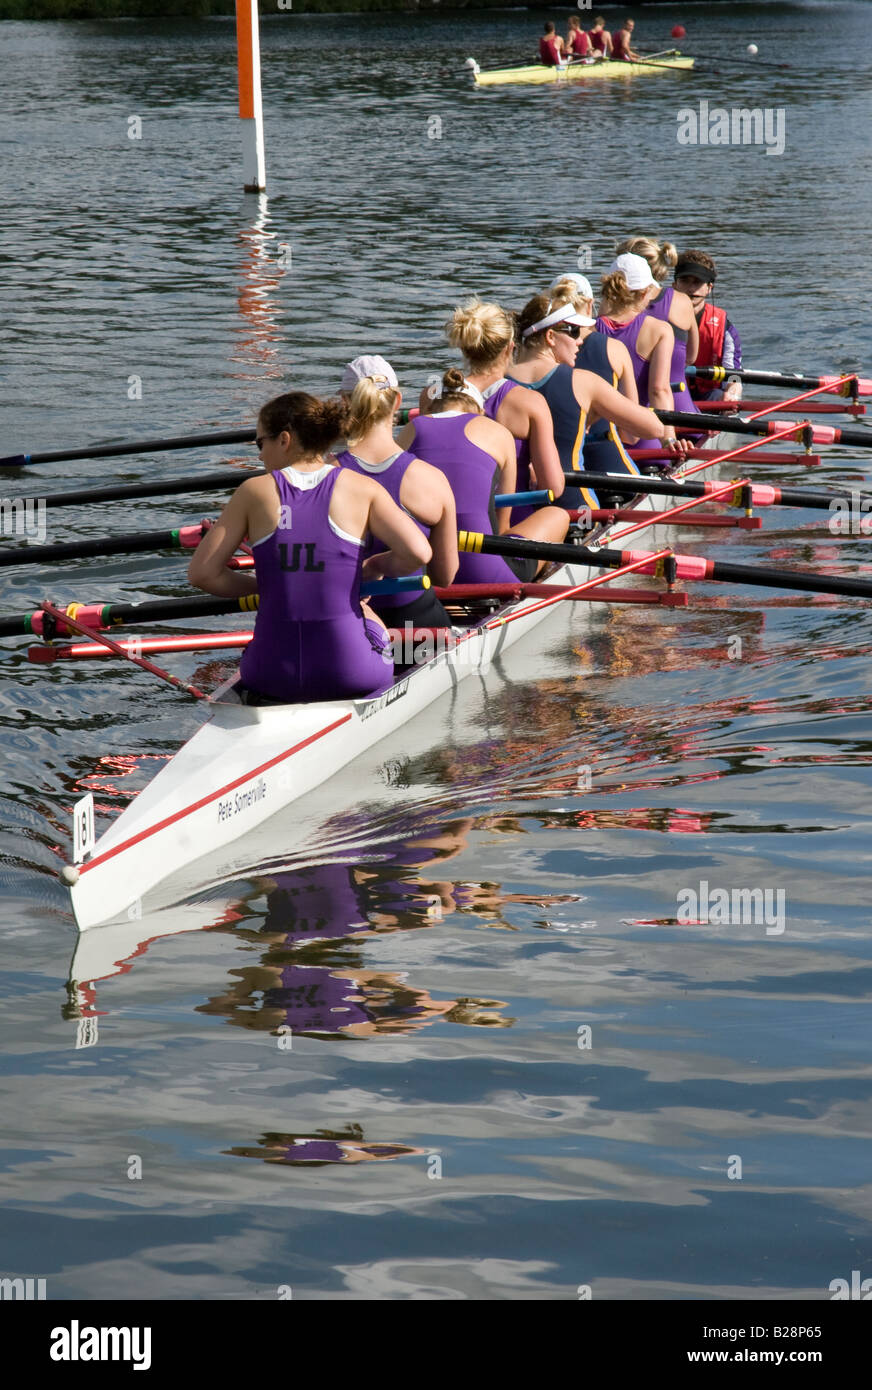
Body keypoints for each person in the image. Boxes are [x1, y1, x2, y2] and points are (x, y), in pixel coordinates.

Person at [188, 391, 430, 704]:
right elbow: (419, 553)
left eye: (261, 443)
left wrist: (270, 586)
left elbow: (202, 574)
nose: (260, 456)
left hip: (269, 675)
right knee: (367, 612)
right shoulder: (362, 487)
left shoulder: (252, 491)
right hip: (350, 674)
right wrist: (375, 568)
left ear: (284, 439)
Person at [508, 294, 687, 510]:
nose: (580, 340)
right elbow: (654, 428)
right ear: (551, 337)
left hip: (511, 510)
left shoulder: (498, 384)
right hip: (575, 510)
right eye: (574, 332)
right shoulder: (584, 382)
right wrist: (596, 409)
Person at [397, 370, 569, 584]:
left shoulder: (409, 431)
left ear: (430, 409)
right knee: (558, 515)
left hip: (424, 568)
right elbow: (501, 526)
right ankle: (532, 588)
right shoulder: (498, 432)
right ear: (478, 410)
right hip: (485, 570)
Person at [335, 355, 457, 633]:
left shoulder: (325, 476)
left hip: (346, 626)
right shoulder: (431, 479)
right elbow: (445, 576)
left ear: (345, 403)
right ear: (398, 402)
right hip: (418, 627)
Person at [434, 297, 564, 525]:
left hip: (442, 523)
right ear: (510, 348)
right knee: (557, 515)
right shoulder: (530, 403)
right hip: (507, 525)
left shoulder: (433, 395)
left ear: (466, 349)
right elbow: (553, 487)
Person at [547, 273, 642, 476]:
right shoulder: (615, 349)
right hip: (609, 466)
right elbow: (632, 435)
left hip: (555, 470)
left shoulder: (539, 353)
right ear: (590, 306)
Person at [594, 254, 685, 453]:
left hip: (597, 442)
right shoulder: (659, 330)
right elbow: (659, 390)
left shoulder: (588, 330)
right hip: (645, 443)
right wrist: (669, 440)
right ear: (645, 293)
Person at [615, 236, 700, 419]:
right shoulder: (682, 301)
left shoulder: (610, 313)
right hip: (682, 412)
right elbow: (692, 357)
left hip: (629, 419)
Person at [673, 250, 743, 402]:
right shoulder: (659, 320)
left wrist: (733, 393)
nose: (691, 289)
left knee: (725, 397)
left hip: (709, 395)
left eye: (697, 282)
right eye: (685, 281)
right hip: (670, 392)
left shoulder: (726, 329)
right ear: (675, 285)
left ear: (709, 287)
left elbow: (734, 375)